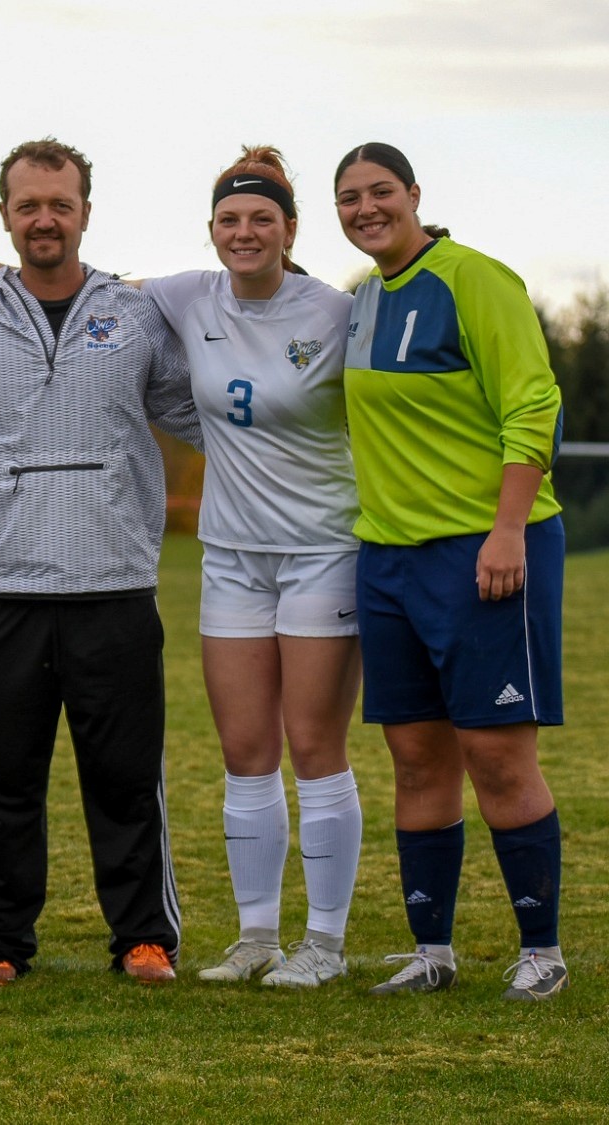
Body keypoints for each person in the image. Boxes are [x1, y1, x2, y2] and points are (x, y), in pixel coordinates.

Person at [0, 138, 201, 986]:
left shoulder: (133, 315)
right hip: (1, 584)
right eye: (28, 205)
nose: (44, 219)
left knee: (126, 776)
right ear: (5, 215)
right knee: (2, 777)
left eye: (60, 204)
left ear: (85, 210)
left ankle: (142, 936)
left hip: (114, 582)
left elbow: (194, 410)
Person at [333, 143, 568, 1001]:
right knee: (415, 754)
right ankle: (432, 949)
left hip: (486, 549)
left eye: (380, 192)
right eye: (350, 198)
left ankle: (540, 950)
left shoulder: (475, 278)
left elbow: (534, 404)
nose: (366, 209)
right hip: (389, 557)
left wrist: (507, 530)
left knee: (495, 752)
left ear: (415, 195)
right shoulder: (360, 301)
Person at [134, 148, 368, 988]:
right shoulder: (189, 293)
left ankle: (327, 943)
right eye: (230, 220)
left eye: (261, 219)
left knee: (315, 744)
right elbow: (97, 287)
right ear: (211, 232)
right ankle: (257, 936)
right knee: (244, 750)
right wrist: (0, 278)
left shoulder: (337, 311)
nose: (244, 233)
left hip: (324, 551)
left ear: (290, 230)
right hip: (231, 557)